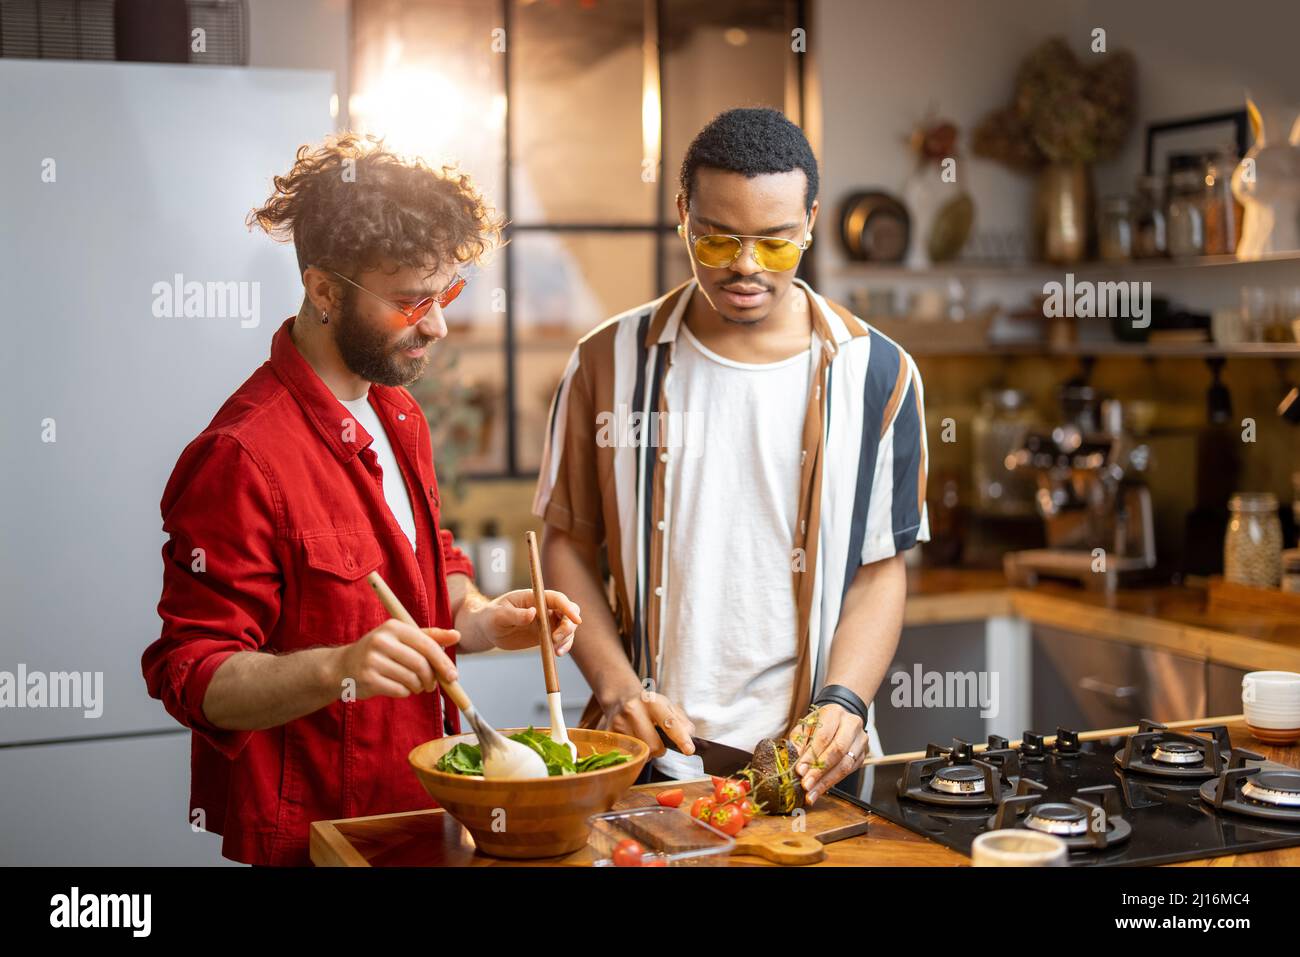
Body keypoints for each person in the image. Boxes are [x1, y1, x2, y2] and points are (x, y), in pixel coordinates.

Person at [143, 135, 581, 865]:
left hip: (420, 812)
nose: (438, 325)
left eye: (445, 295)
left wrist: (477, 622)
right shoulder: (241, 455)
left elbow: (429, 568)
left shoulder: (399, 414)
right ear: (323, 291)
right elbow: (191, 672)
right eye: (412, 301)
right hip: (321, 839)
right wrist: (337, 666)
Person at [534, 108, 929, 804]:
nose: (746, 267)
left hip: (818, 773)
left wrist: (845, 702)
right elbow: (566, 542)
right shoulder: (607, 361)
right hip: (649, 766)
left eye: (776, 244)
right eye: (717, 241)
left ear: (809, 220)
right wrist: (618, 688)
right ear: (683, 214)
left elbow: (880, 566)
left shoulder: (879, 374)